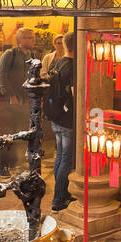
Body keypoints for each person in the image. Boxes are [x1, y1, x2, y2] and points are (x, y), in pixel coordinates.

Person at [0, 27, 37, 176]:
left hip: (27, 101)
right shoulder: (10, 54)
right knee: (9, 134)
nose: (31, 40)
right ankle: (3, 165)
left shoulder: (32, 55)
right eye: (27, 37)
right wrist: (11, 95)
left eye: (32, 37)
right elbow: (1, 76)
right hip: (12, 101)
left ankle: (16, 163)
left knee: (22, 133)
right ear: (19, 40)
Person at [46, 32, 76, 213]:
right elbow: (74, 93)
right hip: (66, 119)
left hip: (55, 117)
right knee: (65, 159)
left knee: (59, 157)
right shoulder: (73, 66)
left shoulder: (58, 62)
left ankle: (62, 195)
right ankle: (58, 199)